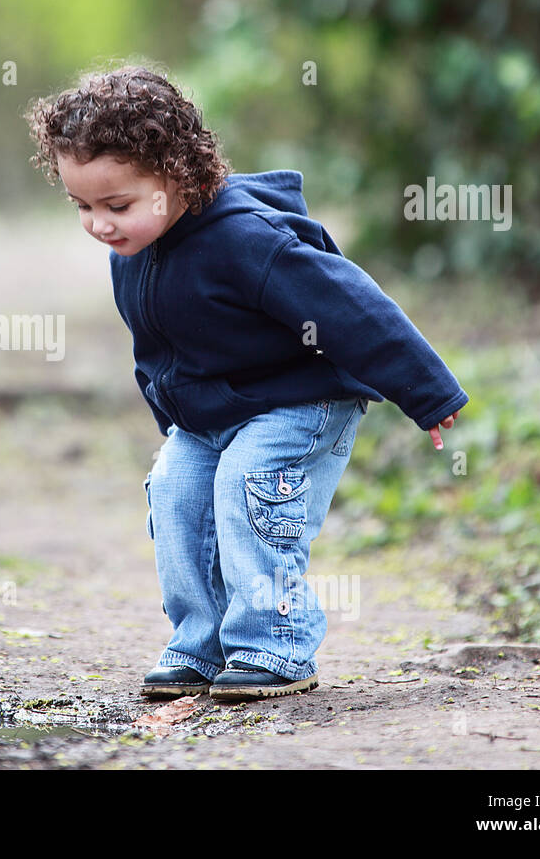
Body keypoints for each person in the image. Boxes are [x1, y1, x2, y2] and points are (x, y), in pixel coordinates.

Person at [23, 65, 466, 703]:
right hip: (212, 412)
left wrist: (425, 391)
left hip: (298, 400)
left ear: (176, 173)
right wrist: (175, 424)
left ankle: (273, 643)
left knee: (247, 485)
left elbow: (349, 305)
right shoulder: (135, 250)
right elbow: (158, 351)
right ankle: (201, 643)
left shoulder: (245, 239)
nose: (100, 224)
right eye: (83, 207)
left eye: (116, 205)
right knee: (176, 492)